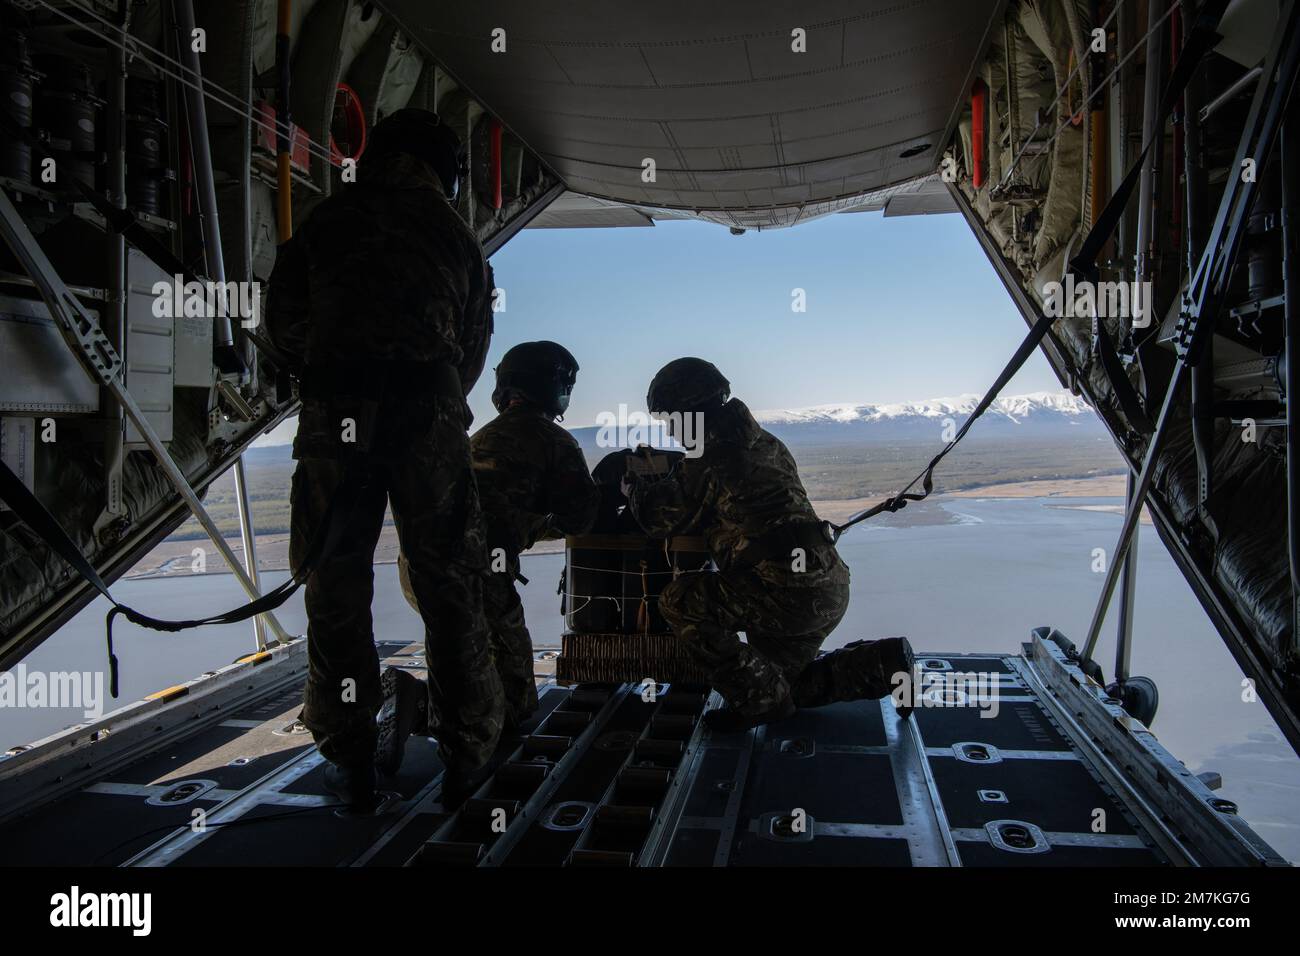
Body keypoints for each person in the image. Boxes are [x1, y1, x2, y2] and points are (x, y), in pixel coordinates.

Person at [265, 108, 503, 809]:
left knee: (335, 586)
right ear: (445, 170)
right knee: (449, 586)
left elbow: (284, 329)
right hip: (426, 419)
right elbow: (470, 351)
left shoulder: (326, 221)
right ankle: (469, 752)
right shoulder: (458, 238)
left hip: (338, 415)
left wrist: (340, 370)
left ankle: (350, 755)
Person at [623, 357, 915, 731]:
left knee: (678, 602)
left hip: (783, 594)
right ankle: (884, 663)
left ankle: (758, 707)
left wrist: (635, 489)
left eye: (671, 421)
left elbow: (659, 519)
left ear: (687, 413)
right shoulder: (763, 441)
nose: (672, 431)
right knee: (784, 686)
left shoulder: (710, 455)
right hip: (824, 587)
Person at [383, 341, 599, 768]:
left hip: (423, 568)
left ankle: (423, 707)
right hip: (476, 573)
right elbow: (581, 518)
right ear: (553, 387)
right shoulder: (553, 440)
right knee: (512, 707)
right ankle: (419, 708)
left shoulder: (481, 436)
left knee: (465, 667)